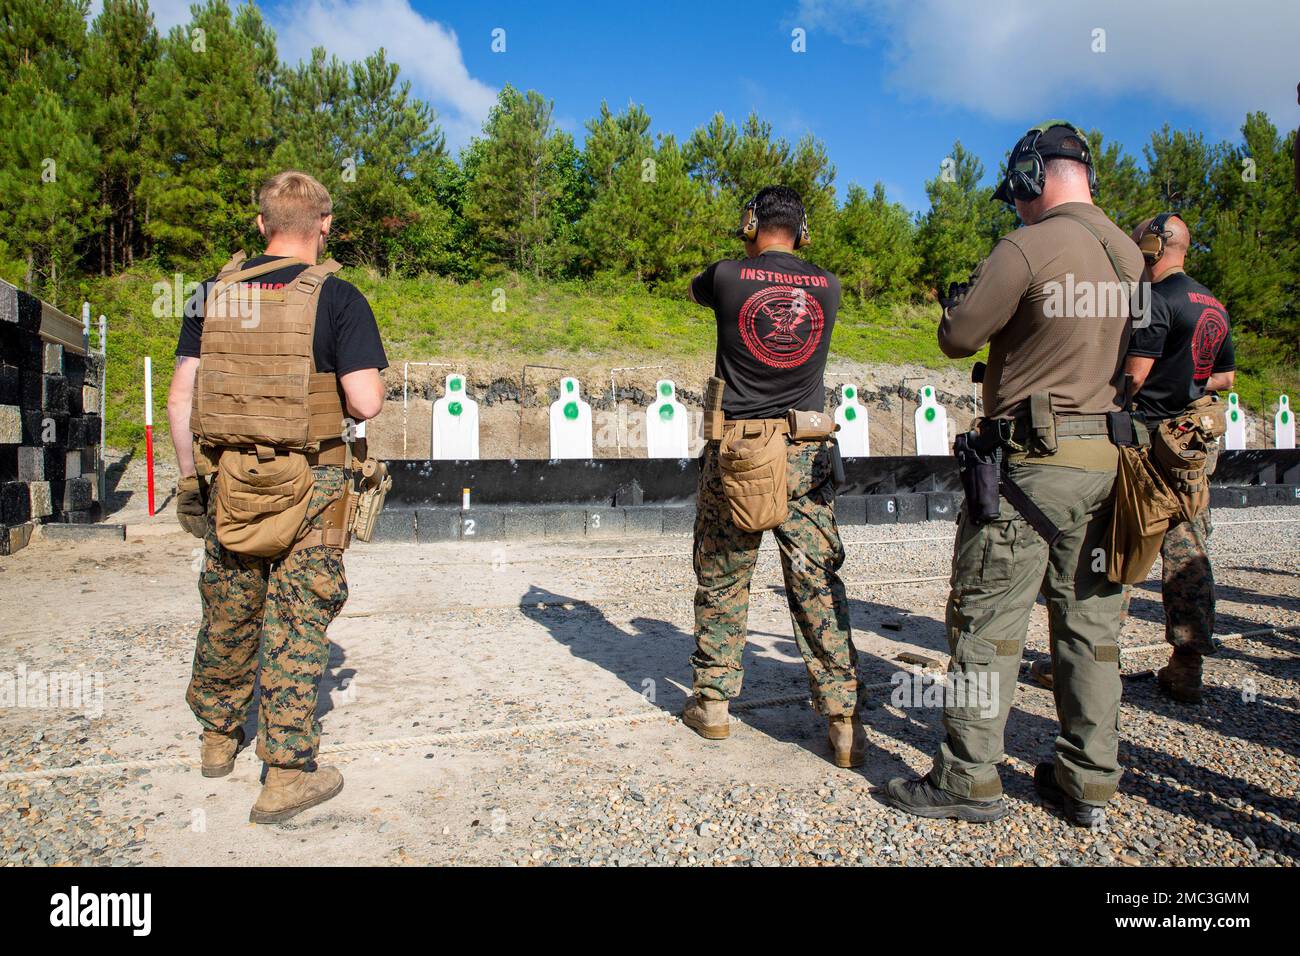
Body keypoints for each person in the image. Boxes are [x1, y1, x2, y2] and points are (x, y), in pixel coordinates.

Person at [881, 122, 1145, 826]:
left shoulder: (1028, 245)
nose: (1016, 206)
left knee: (988, 622)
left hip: (1033, 467)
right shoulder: (1130, 256)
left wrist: (961, 299)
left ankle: (969, 777)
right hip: (1110, 463)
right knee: (1089, 626)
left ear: (1034, 176)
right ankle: (1089, 779)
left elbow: (958, 336)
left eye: (1017, 193)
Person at [166, 170, 387, 823]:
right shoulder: (338, 298)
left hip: (230, 478)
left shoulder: (213, 295)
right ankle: (287, 774)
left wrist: (189, 483)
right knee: (296, 622)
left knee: (229, 605)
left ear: (261, 225)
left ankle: (216, 736)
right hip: (312, 482)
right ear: (324, 227)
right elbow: (365, 401)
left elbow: (182, 399)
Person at [680, 185, 865, 768]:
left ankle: (713, 704)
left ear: (750, 222)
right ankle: (842, 720)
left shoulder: (728, 277)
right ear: (804, 231)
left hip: (738, 449)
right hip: (807, 450)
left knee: (723, 575)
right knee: (815, 580)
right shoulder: (828, 285)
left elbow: (697, 289)